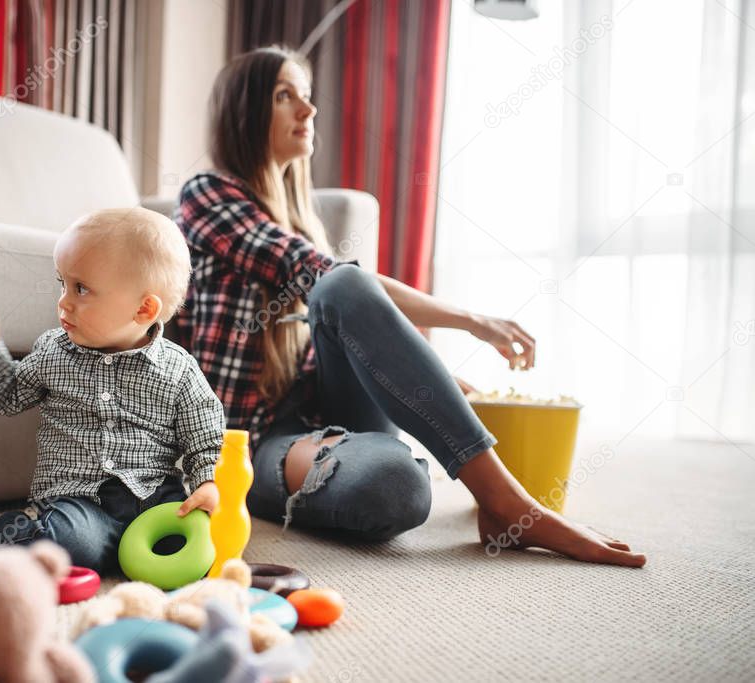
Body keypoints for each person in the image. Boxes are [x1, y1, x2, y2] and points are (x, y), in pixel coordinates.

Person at [174, 46, 645, 567]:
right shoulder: (206, 194)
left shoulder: (302, 218)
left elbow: (328, 340)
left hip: (318, 410)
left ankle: (506, 503)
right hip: (250, 439)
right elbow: (327, 280)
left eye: (307, 97)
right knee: (395, 486)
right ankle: (502, 502)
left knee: (339, 289)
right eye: (286, 97)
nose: (308, 111)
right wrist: (473, 321)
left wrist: (432, 381)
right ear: (244, 112)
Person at [0, 207, 226, 573]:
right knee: (74, 544)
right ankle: (21, 536)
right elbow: (8, 393)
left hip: (155, 495)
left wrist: (205, 482)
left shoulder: (178, 368)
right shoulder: (53, 352)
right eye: (62, 283)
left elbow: (203, 434)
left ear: (144, 309)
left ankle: (120, 551)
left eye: (81, 288)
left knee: (194, 542)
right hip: (81, 501)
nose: (64, 301)